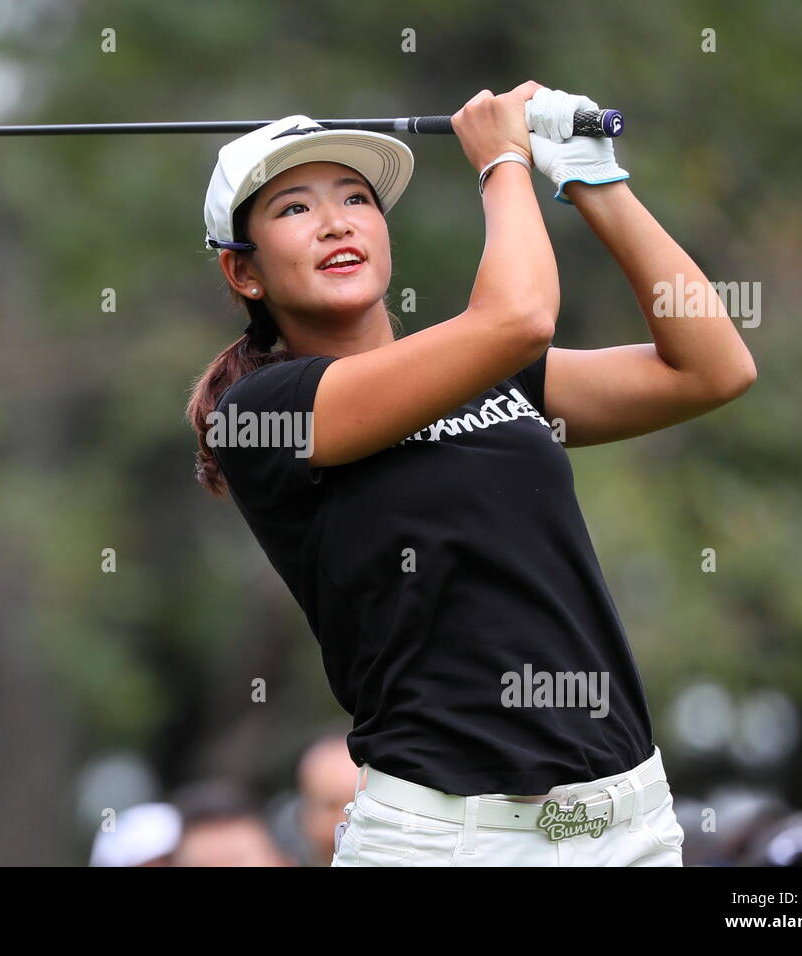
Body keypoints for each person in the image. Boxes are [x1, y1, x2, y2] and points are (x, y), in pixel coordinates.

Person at [184, 82, 756, 866]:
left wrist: (595, 180)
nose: (336, 221)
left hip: (629, 823)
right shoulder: (262, 414)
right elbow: (518, 316)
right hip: (446, 841)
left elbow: (712, 367)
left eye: (355, 198)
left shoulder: (497, 382)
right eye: (292, 209)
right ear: (243, 274)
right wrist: (503, 163)